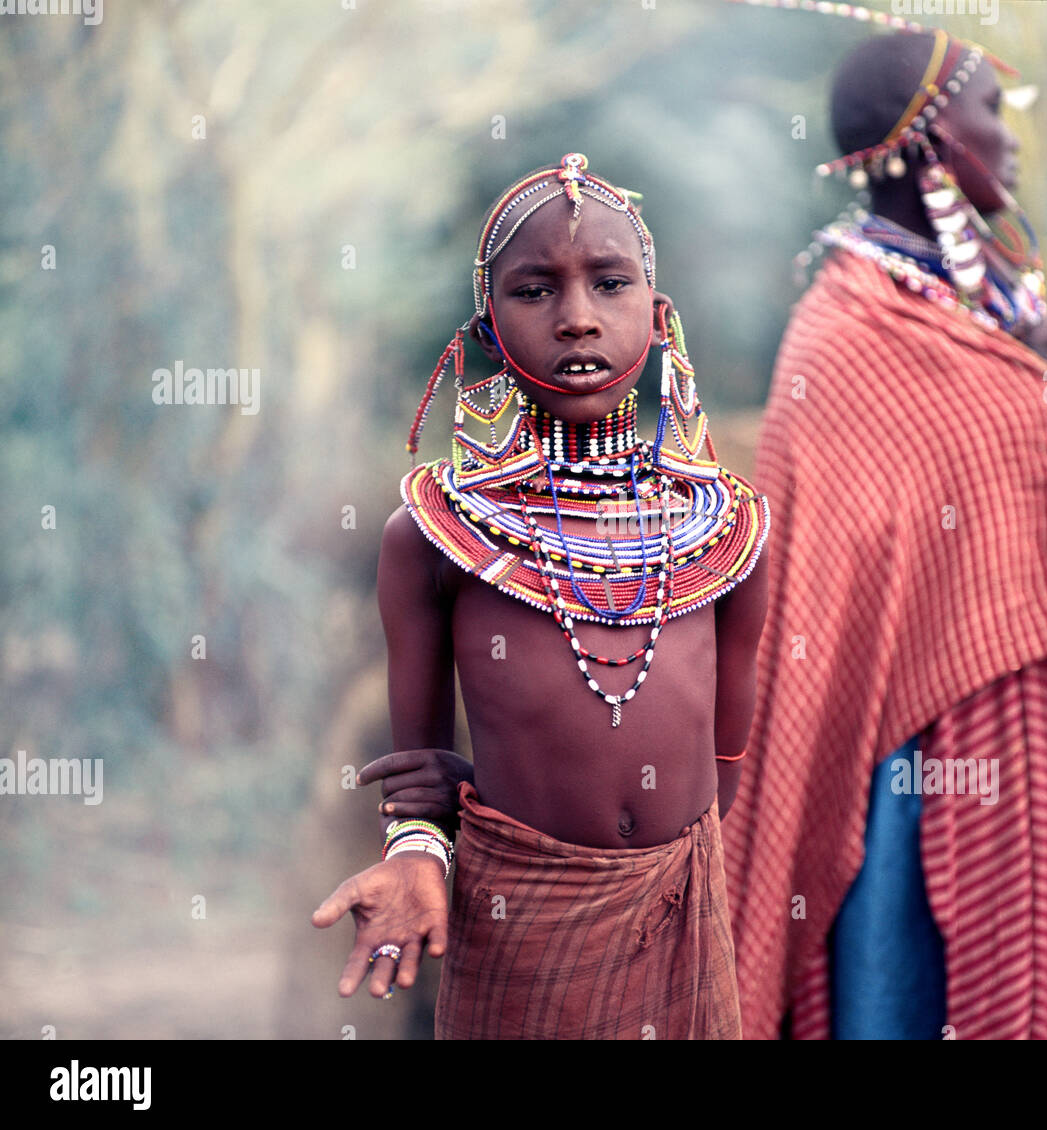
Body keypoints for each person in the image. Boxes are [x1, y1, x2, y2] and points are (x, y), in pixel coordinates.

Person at [722, 5, 1047, 1040]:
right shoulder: (846, 325)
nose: (1014, 135)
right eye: (995, 109)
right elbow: (860, 547)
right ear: (935, 140)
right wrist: (1046, 396)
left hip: (1044, 727)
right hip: (909, 730)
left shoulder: (988, 301)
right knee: (905, 986)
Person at [311, 153, 770, 1040]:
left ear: (658, 312)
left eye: (610, 282)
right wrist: (426, 845)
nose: (578, 319)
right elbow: (418, 779)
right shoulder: (439, 533)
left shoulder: (725, 533)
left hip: (683, 913)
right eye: (535, 291)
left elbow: (721, 776)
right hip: (520, 920)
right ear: (487, 328)